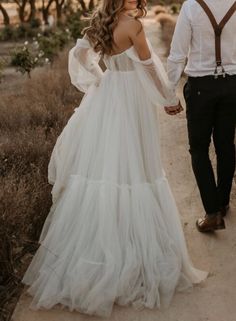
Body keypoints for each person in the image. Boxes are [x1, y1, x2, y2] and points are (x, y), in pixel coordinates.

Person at [21, 0, 208, 317]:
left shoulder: (100, 23)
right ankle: (133, 253)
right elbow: (148, 67)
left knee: (108, 165)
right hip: (132, 98)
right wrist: (167, 98)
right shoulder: (133, 25)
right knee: (137, 168)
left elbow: (79, 56)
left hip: (107, 96)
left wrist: (98, 78)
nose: (137, 0)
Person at [166, 0, 236, 233]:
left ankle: (212, 213)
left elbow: (177, 55)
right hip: (233, 84)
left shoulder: (191, 6)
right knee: (226, 145)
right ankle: (223, 202)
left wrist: (169, 94)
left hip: (200, 87)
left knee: (199, 149)